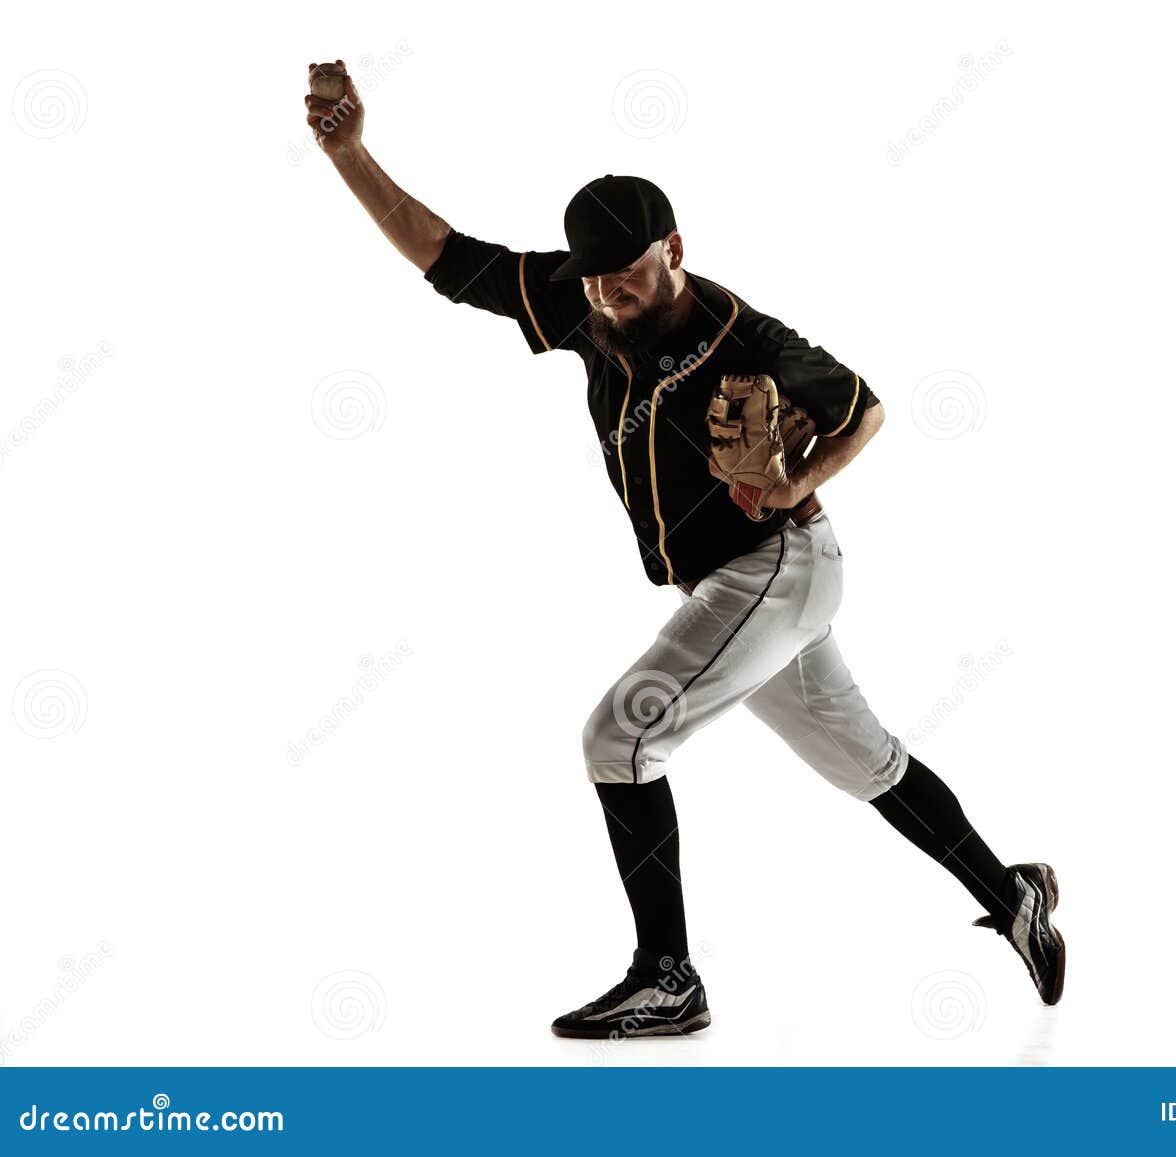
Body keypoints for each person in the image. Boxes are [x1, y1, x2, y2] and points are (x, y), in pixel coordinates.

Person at [305, 62, 1063, 1039]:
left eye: (630, 270)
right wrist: (350, 154)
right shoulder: (586, 301)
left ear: (673, 249)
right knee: (867, 764)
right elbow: (451, 259)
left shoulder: (737, 332)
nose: (612, 290)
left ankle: (666, 976)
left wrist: (793, 479)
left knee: (616, 738)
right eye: (596, 274)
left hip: (775, 564)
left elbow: (862, 406)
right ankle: (1012, 893)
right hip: (743, 583)